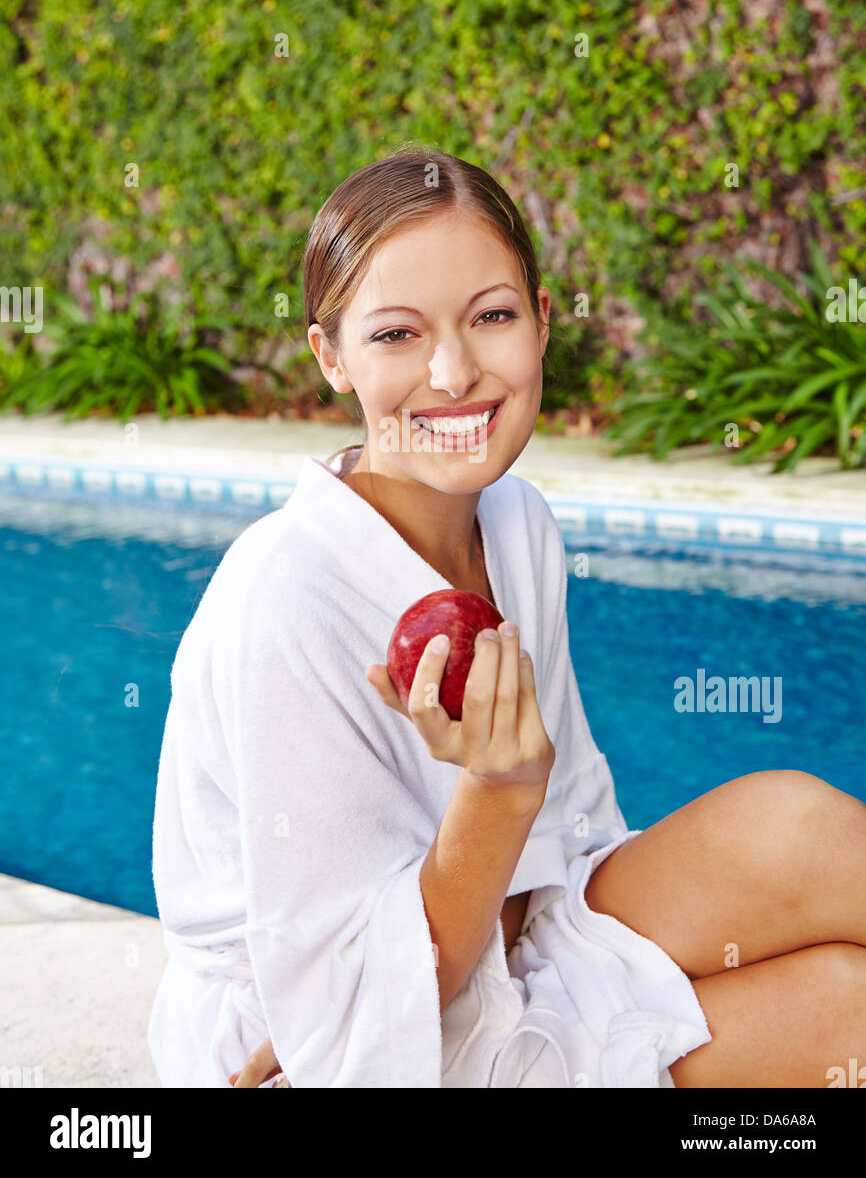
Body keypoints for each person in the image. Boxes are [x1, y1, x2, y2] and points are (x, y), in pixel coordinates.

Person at [150, 145, 866, 1089]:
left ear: (539, 318)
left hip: (521, 920)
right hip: (356, 1041)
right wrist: (501, 793)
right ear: (330, 356)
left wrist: (534, 827)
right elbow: (348, 1017)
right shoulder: (287, 596)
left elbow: (574, 830)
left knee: (793, 826)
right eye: (397, 334)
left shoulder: (518, 523)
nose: (453, 373)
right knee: (845, 1017)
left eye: (491, 316)